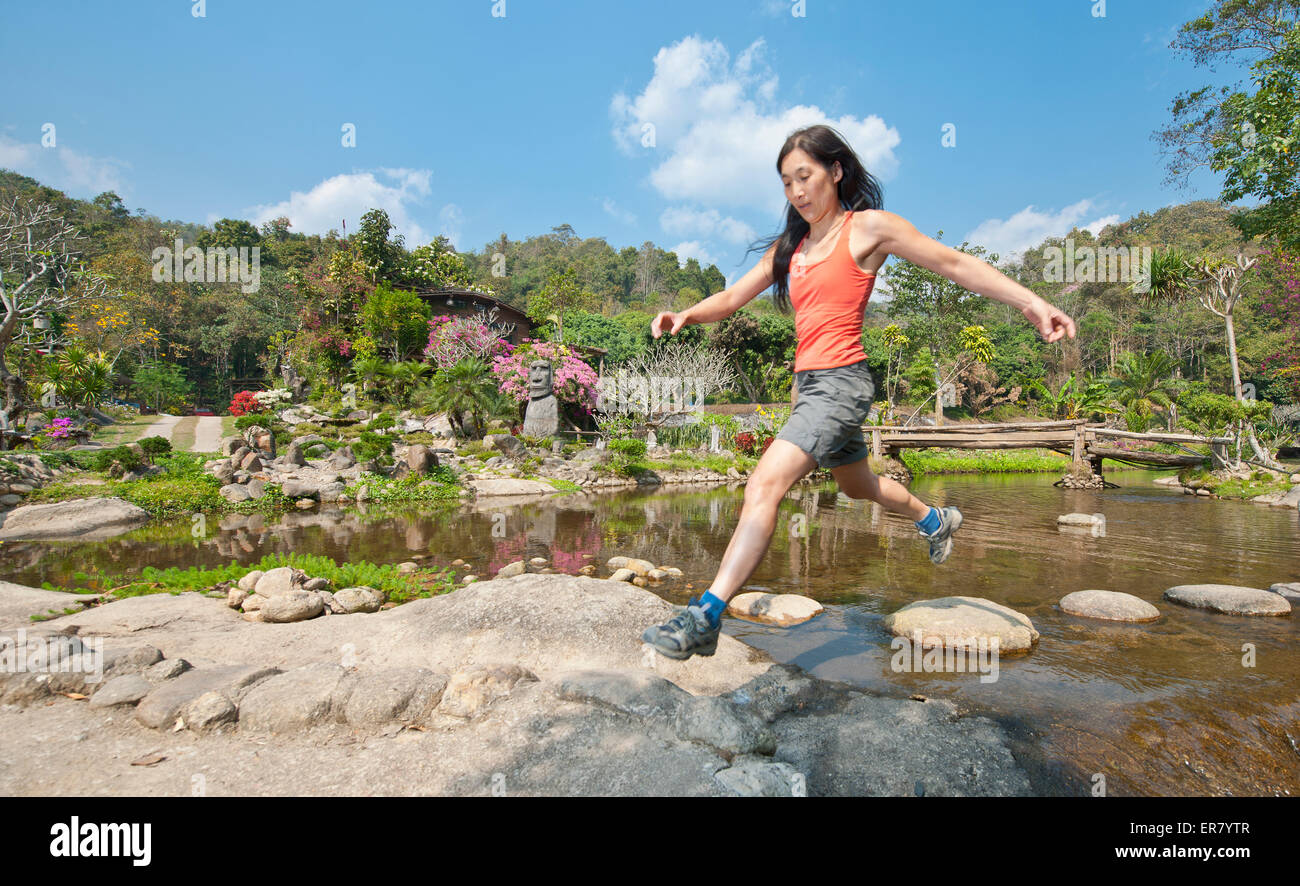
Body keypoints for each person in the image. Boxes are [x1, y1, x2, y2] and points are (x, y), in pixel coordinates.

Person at [641, 124, 1077, 661]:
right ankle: (935, 520)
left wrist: (1030, 301)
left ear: (836, 171)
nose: (797, 191)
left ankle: (706, 614)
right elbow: (732, 296)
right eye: (786, 182)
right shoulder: (791, 247)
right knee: (857, 486)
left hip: (842, 384)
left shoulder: (868, 228)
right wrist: (686, 313)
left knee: (765, 484)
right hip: (809, 388)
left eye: (805, 176)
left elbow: (954, 264)